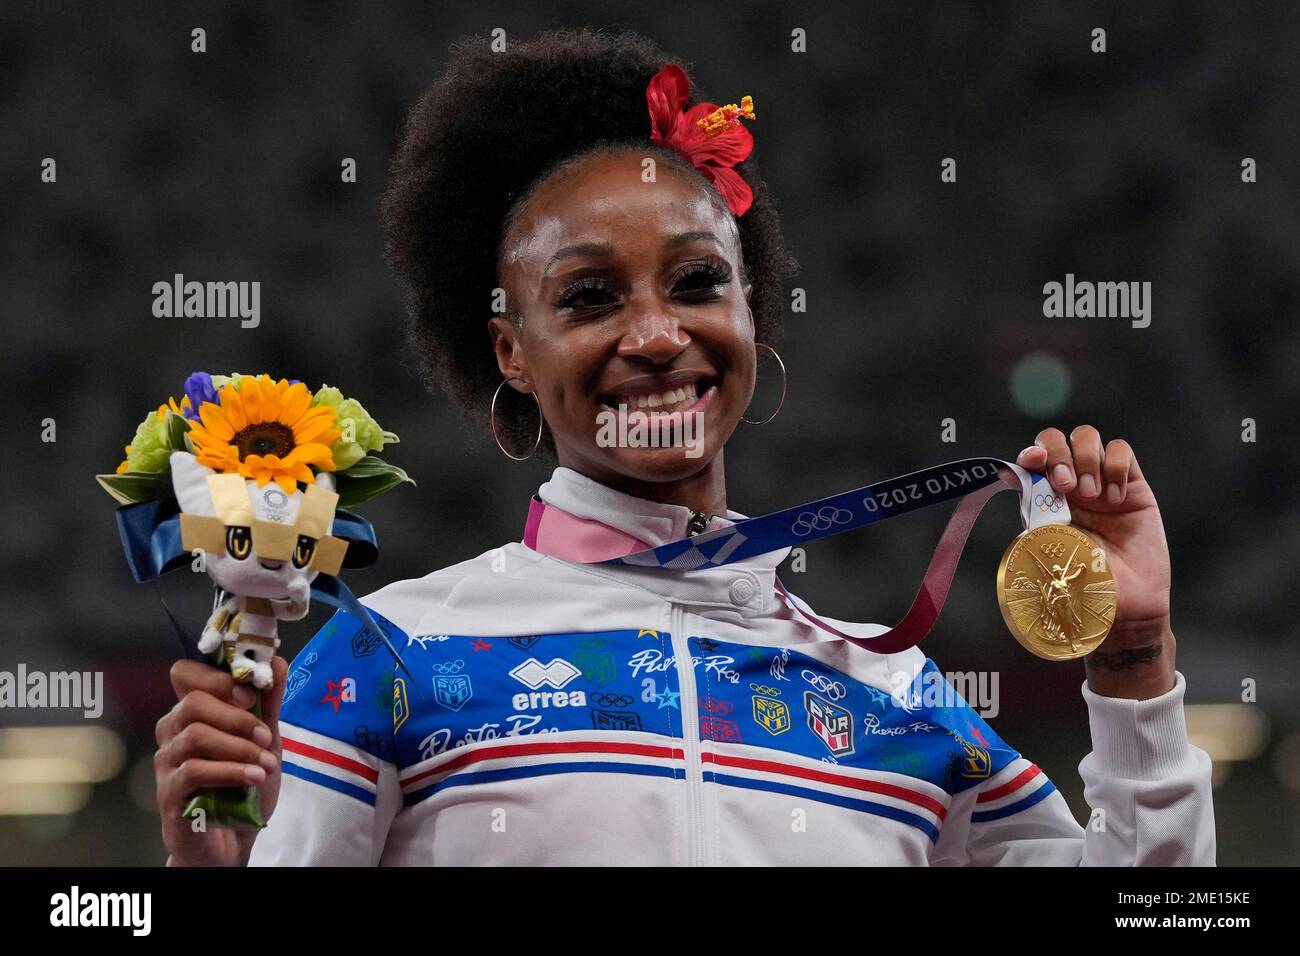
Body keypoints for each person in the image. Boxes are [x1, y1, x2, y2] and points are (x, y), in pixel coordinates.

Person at [153, 27, 1215, 866]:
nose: (658, 334)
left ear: (751, 311)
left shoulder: (895, 692)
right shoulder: (389, 655)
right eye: (587, 296)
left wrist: (1132, 663)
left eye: (698, 281)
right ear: (509, 349)